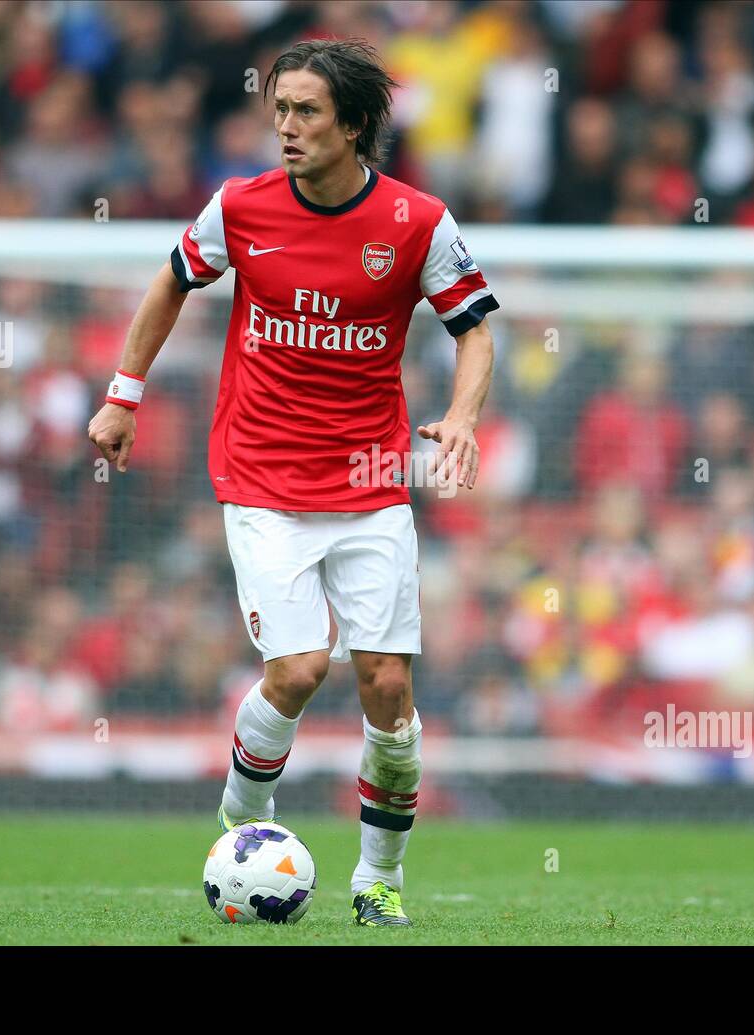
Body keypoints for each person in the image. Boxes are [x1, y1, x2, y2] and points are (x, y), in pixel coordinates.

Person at [87, 38, 497, 927]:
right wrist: (123, 396)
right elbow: (170, 282)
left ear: (353, 125)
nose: (286, 127)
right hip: (263, 476)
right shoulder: (239, 206)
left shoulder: (418, 222)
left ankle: (377, 878)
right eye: (279, 110)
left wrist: (461, 417)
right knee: (302, 666)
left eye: (306, 111)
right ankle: (242, 829)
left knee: (386, 684)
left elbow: (475, 328)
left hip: (372, 477)